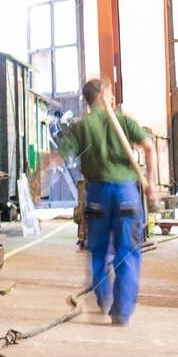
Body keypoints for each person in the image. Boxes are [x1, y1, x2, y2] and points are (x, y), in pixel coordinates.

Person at [53, 78, 159, 325]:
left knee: (98, 250)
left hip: (98, 195)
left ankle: (104, 298)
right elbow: (149, 147)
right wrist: (151, 183)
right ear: (105, 95)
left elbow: (59, 157)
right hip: (126, 194)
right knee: (127, 251)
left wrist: (39, 171)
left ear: (87, 100)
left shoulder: (82, 127)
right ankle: (121, 311)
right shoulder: (124, 122)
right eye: (111, 92)